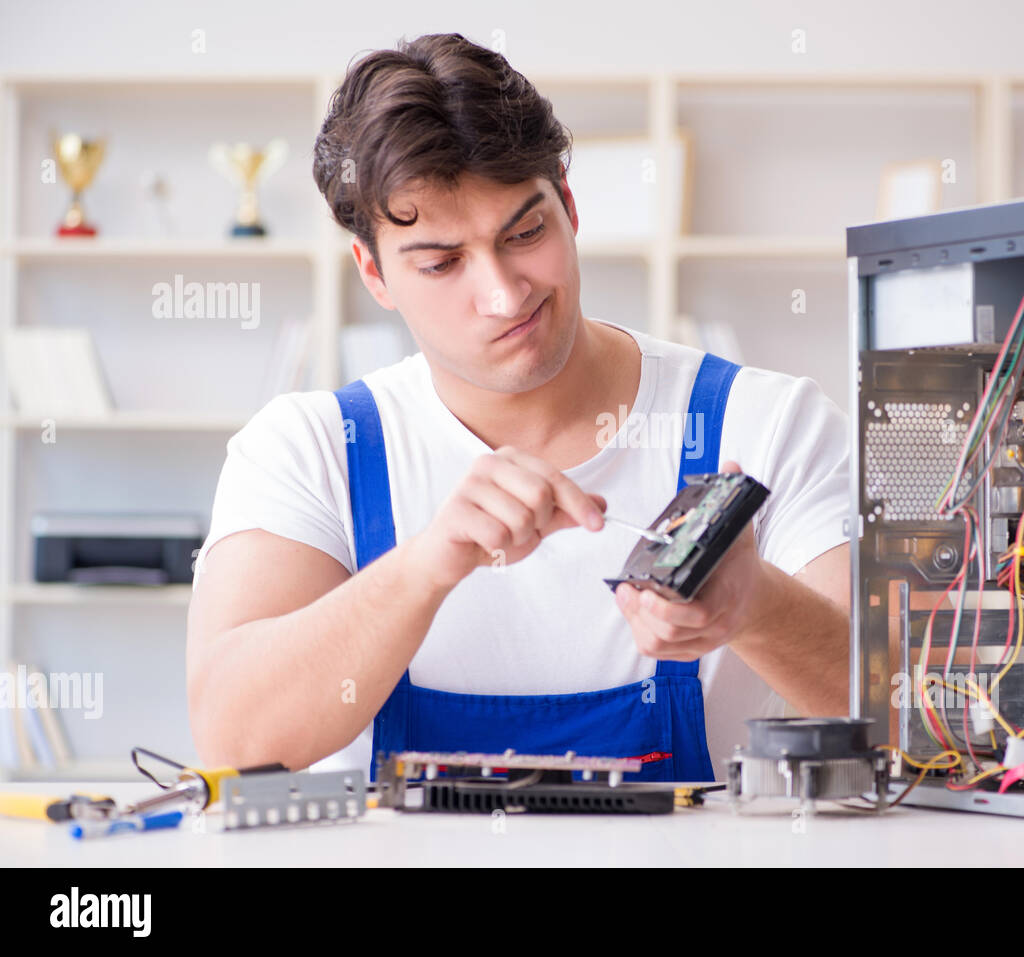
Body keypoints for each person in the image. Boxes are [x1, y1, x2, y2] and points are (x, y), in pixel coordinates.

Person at [186, 33, 852, 783]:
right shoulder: (311, 449)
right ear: (373, 272)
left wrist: (754, 605)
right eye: (441, 262)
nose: (505, 293)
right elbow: (232, 737)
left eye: (525, 232)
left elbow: (902, 719)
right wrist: (422, 569)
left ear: (567, 204)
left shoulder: (767, 424)